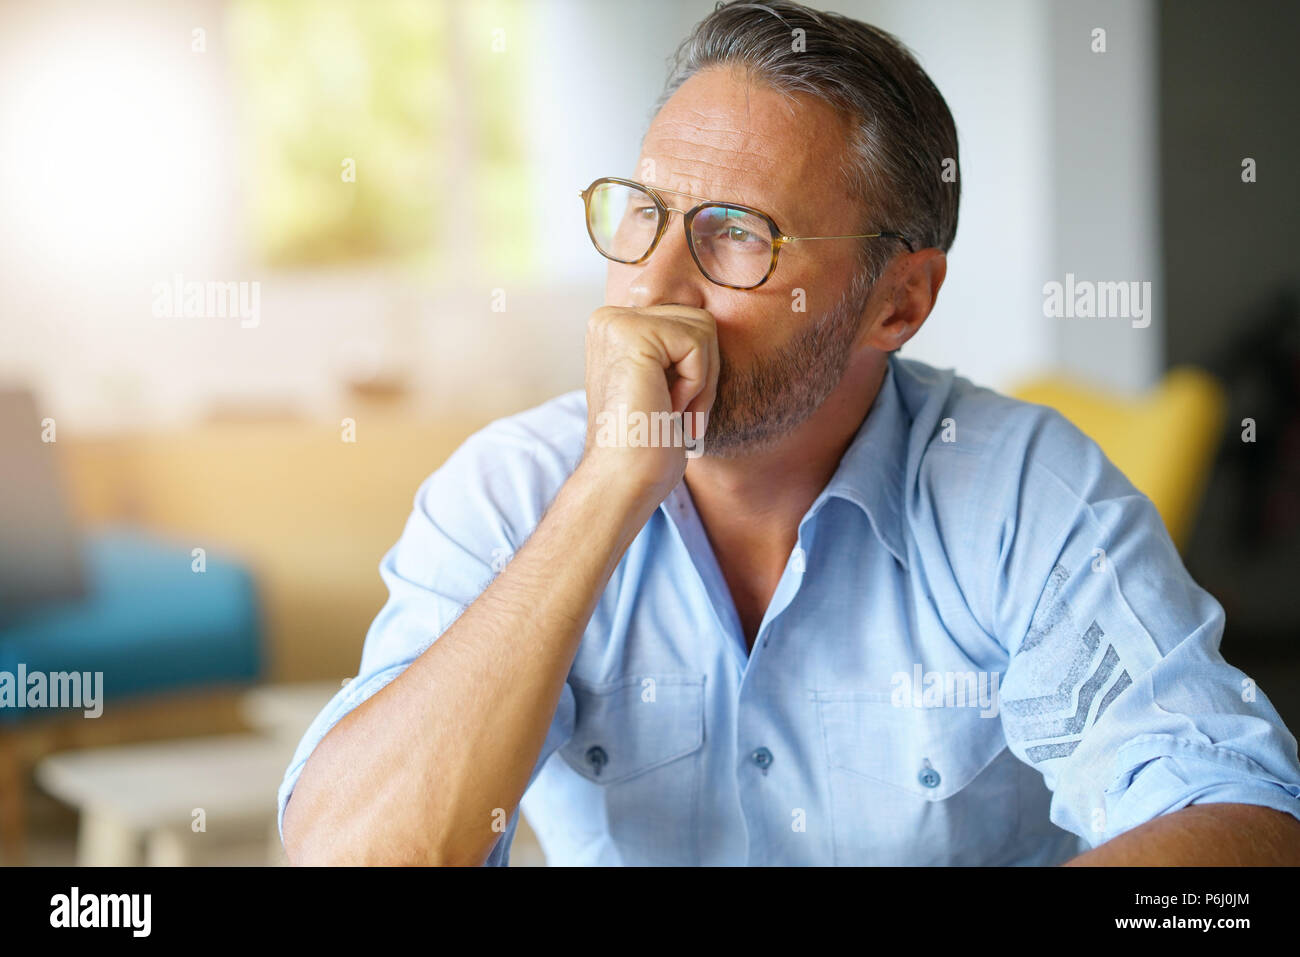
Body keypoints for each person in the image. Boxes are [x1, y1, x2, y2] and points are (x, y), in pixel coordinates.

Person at [279, 0, 1300, 865]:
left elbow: (1242, 827)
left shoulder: (1023, 495)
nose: (653, 287)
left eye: (737, 235)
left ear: (898, 302)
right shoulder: (510, 492)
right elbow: (349, 856)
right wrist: (607, 490)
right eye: (642, 213)